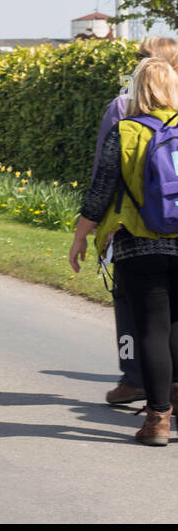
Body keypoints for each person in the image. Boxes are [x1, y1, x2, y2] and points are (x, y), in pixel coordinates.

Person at [71, 57, 178, 445]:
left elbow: (100, 192)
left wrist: (80, 237)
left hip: (137, 243)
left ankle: (158, 421)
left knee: (152, 329)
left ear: (138, 90)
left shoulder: (126, 130)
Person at [91, 36, 178, 405]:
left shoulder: (122, 107)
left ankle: (134, 378)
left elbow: (103, 175)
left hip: (133, 230)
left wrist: (91, 228)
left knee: (132, 308)